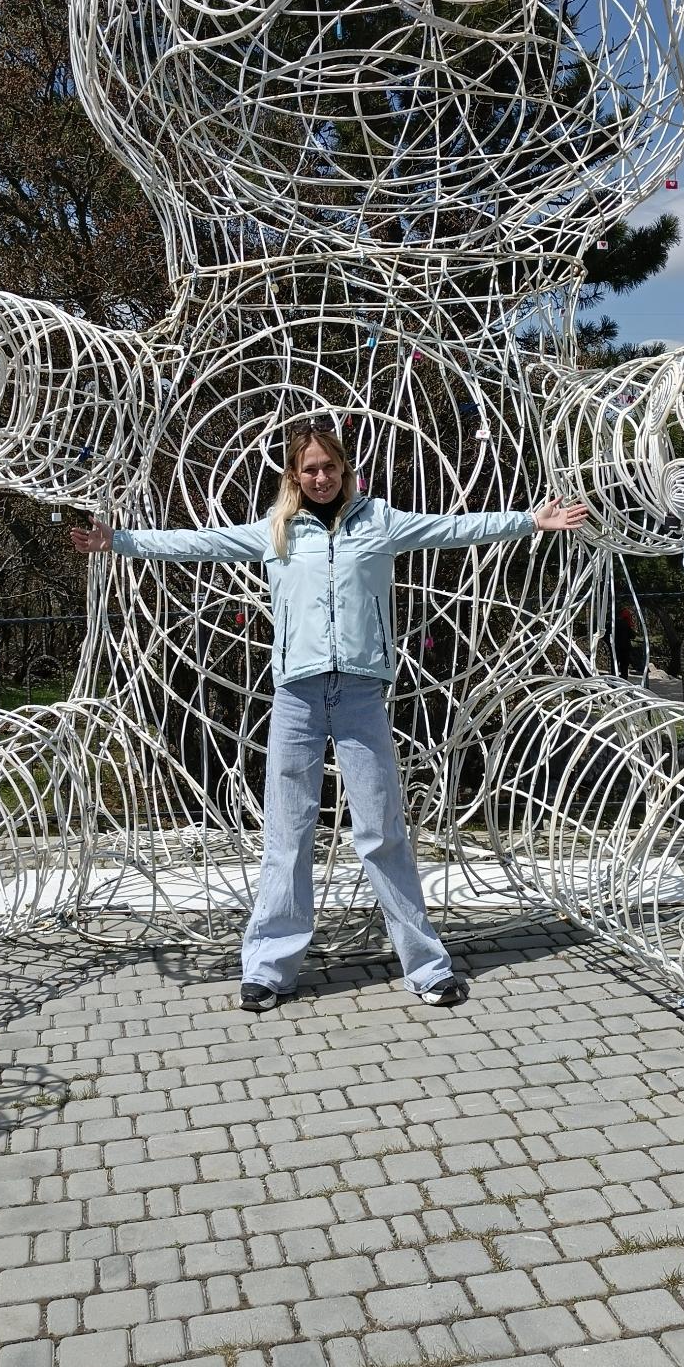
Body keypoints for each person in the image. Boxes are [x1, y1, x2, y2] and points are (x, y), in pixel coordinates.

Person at [72, 419, 589, 1012]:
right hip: (297, 696)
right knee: (287, 832)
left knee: (381, 830)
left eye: (330, 467)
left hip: (361, 693)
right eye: (309, 469)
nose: (321, 477)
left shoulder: (381, 521)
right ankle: (268, 968)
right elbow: (199, 541)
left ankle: (426, 966)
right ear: (295, 475)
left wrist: (531, 521)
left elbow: (454, 529)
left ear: (346, 470)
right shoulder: (277, 530)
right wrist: (119, 542)